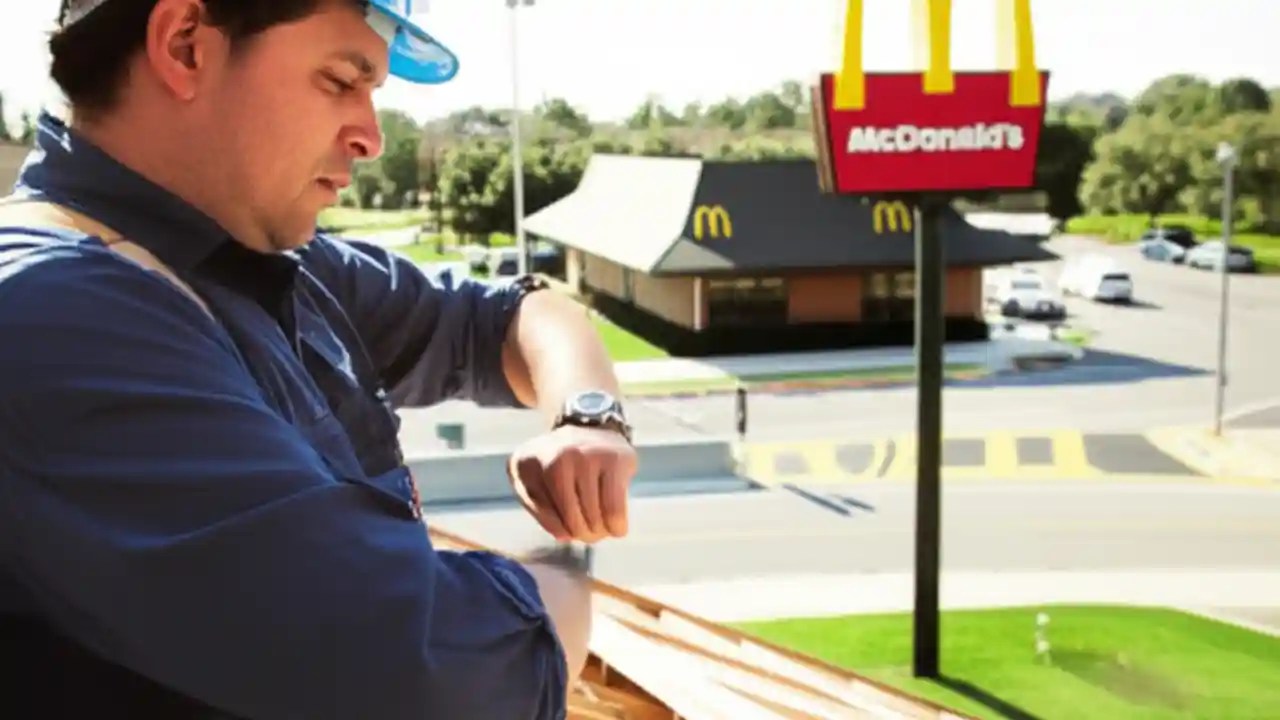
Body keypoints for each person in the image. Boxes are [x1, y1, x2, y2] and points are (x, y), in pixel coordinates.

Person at [0, 0, 639, 718]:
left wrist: (589, 416)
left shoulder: (257, 260)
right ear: (184, 46)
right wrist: (567, 584)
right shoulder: (55, 309)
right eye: (340, 81)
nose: (370, 136)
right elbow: (422, 675)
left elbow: (511, 315)